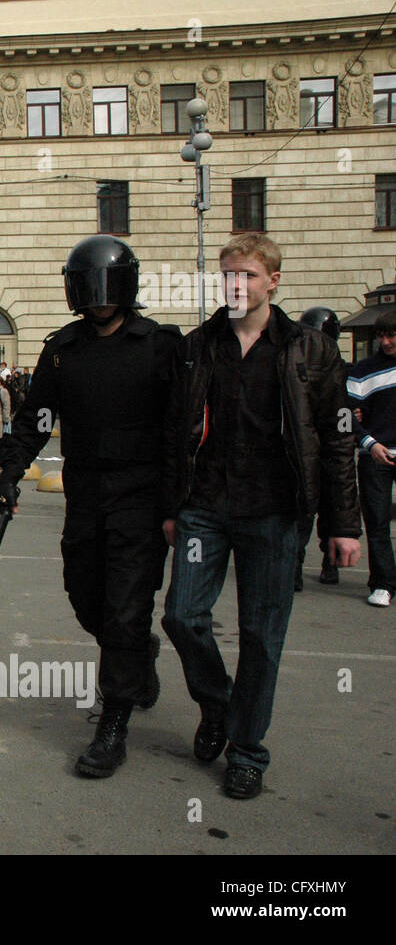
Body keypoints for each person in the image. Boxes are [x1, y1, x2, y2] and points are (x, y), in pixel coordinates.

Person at [161, 233, 361, 799]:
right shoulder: (200, 346)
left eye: (247, 275)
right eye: (228, 275)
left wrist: (342, 525)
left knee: (261, 637)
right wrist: (172, 508)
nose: (236, 285)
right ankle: (219, 706)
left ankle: (247, 751)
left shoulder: (309, 349)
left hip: (275, 514)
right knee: (181, 615)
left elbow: (336, 438)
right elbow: (176, 435)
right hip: (206, 506)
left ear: (274, 280)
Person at [0, 235, 180, 778]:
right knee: (85, 597)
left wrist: (177, 503)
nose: (100, 300)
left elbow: (178, 430)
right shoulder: (62, 349)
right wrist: (10, 472)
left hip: (140, 501)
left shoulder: (159, 345)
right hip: (86, 497)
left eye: (108, 289)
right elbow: (36, 416)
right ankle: (135, 652)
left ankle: (114, 721)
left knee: (125, 609)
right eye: (90, 289)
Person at [346, 308, 396, 606]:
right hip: (374, 453)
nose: (386, 342)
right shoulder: (363, 369)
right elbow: (345, 414)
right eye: (381, 336)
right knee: (376, 522)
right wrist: (368, 442)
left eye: (391, 335)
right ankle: (382, 583)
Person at [295, 306, 343, 590]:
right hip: (311, 449)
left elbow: (344, 409)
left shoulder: (334, 364)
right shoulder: (302, 363)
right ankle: (300, 565)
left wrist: (350, 417)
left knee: (328, 511)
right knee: (304, 515)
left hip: (325, 447)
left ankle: (328, 563)